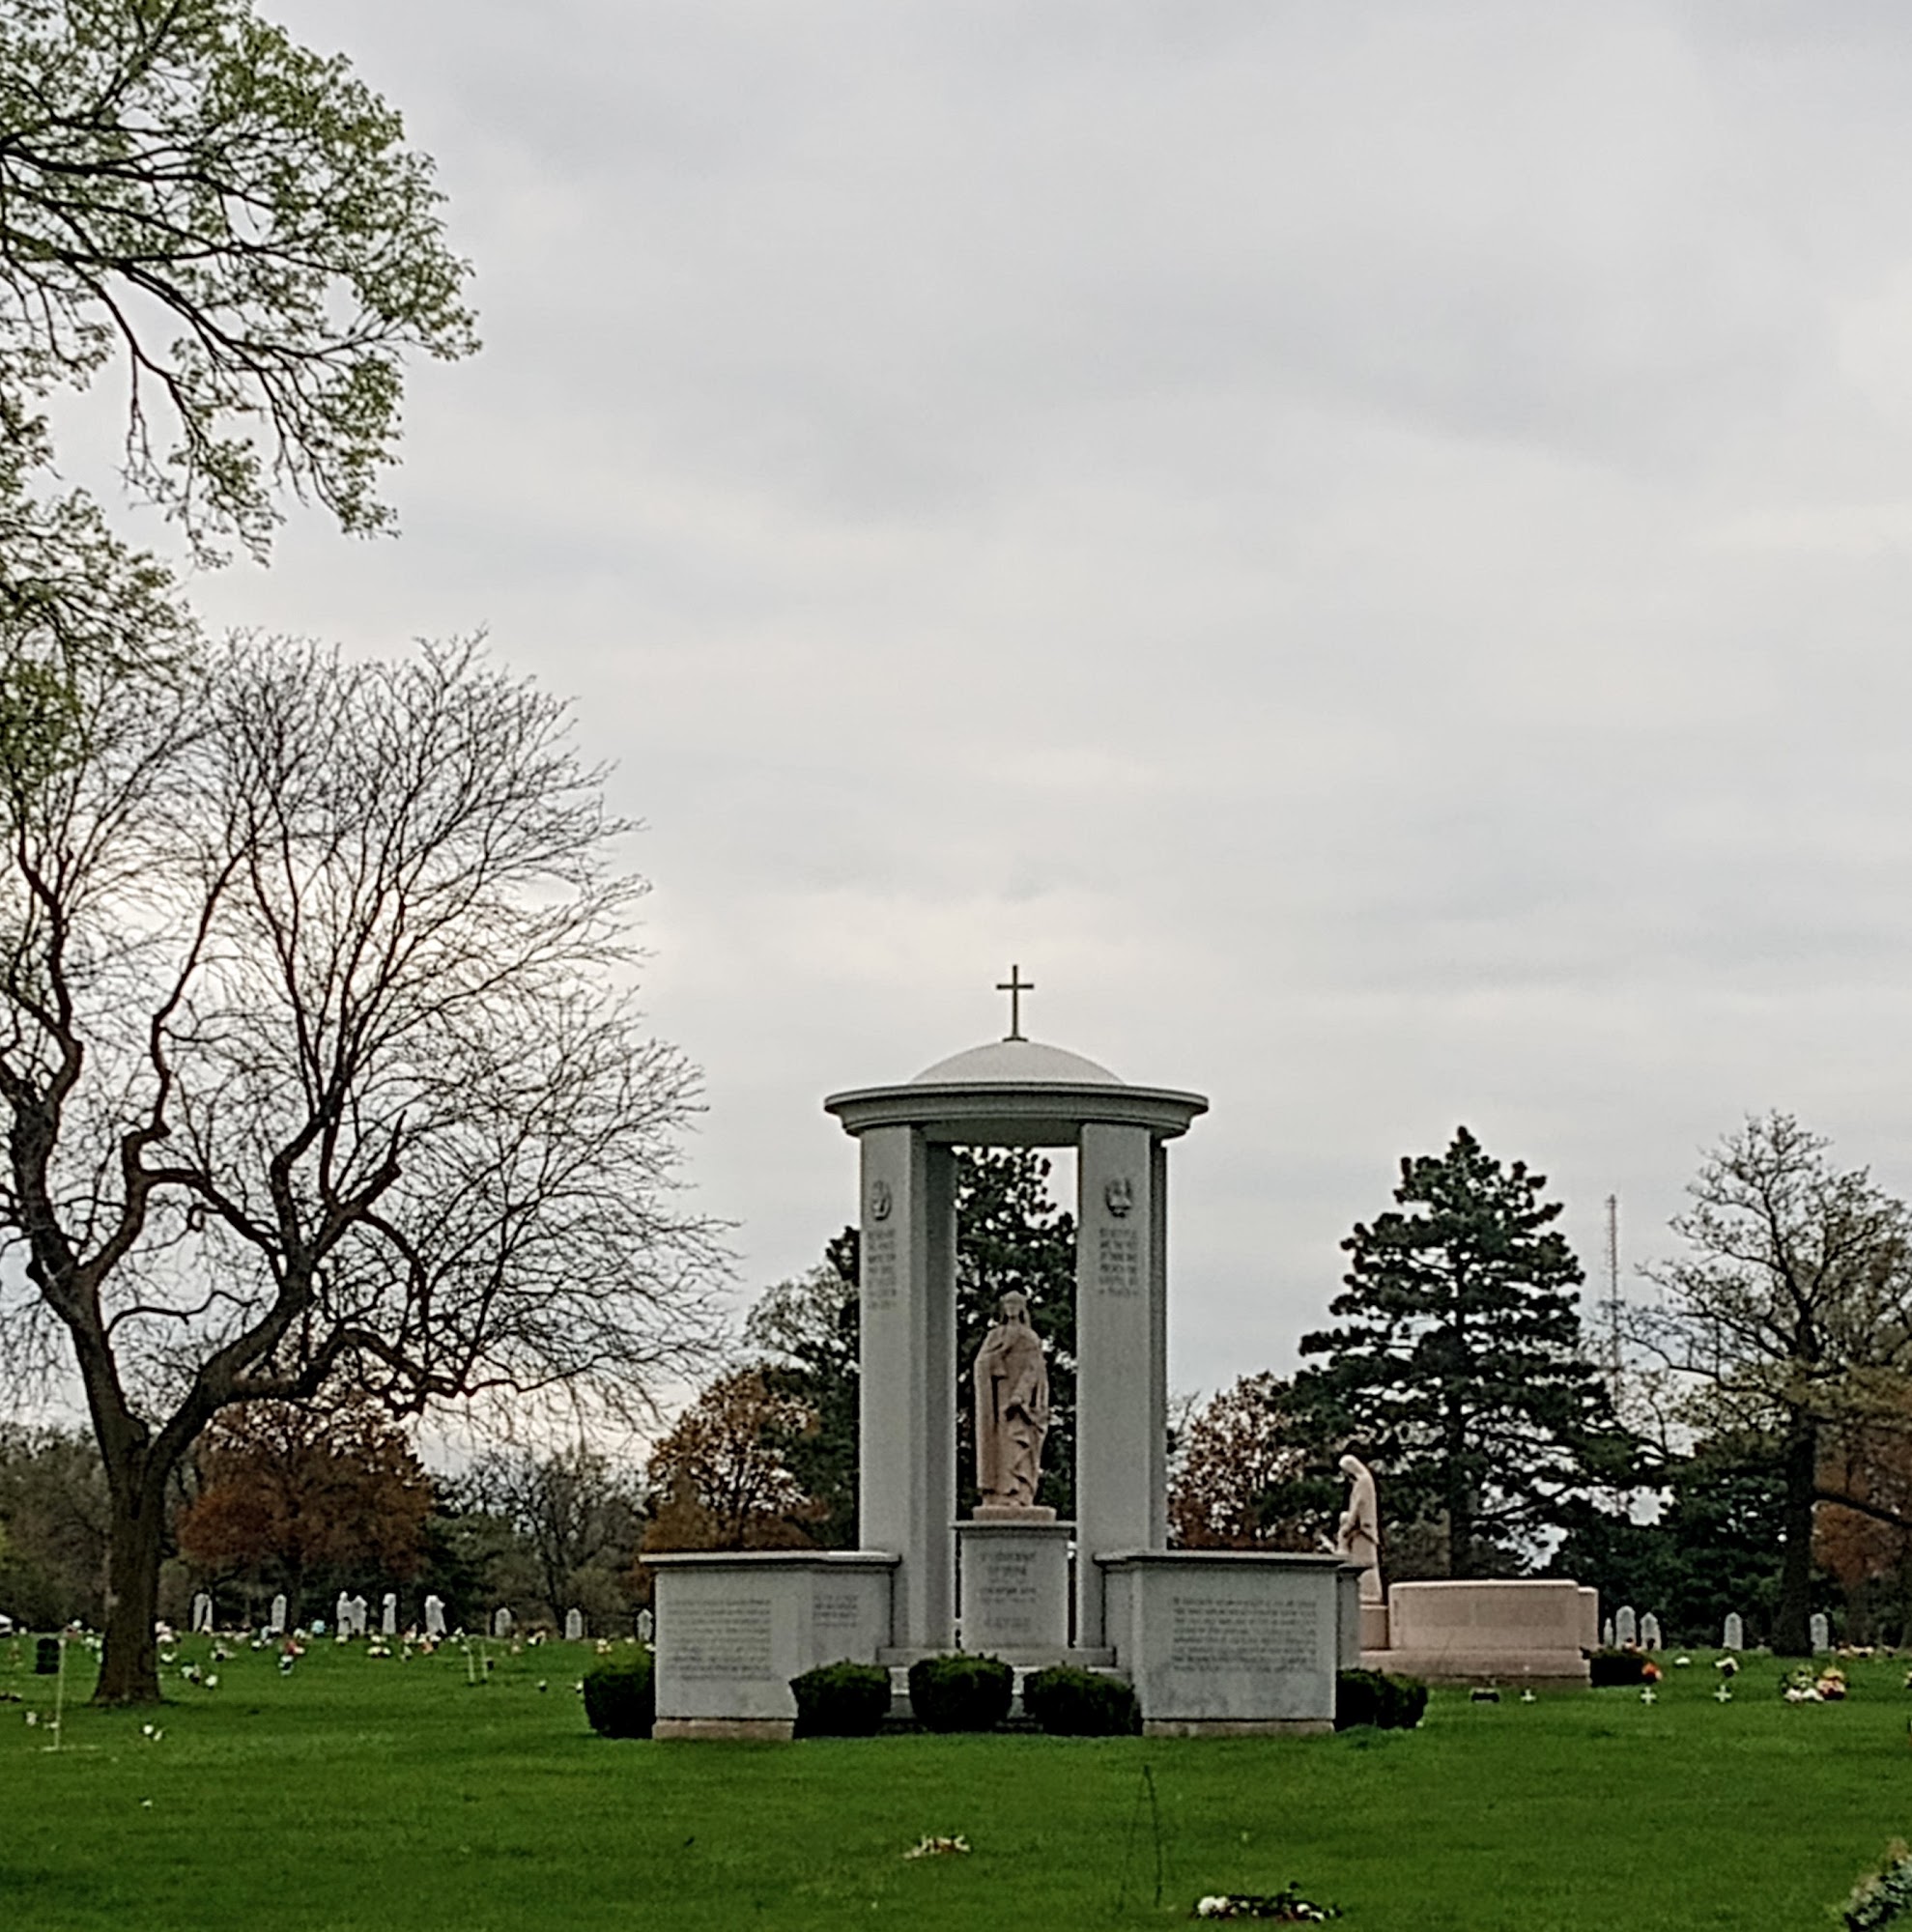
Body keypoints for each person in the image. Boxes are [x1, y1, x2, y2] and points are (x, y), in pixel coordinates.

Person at [972, 1290, 1051, 1509]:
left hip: (1020, 1402)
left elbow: (1034, 1369)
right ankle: (999, 1494)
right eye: (1008, 1304)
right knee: (1001, 1444)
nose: (1012, 1308)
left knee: (1019, 1443)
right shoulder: (995, 1336)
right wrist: (994, 1362)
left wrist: (1020, 1396)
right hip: (1000, 1397)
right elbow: (980, 1363)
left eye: (1016, 1304)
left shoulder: (1029, 1337)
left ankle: (1020, 1493)